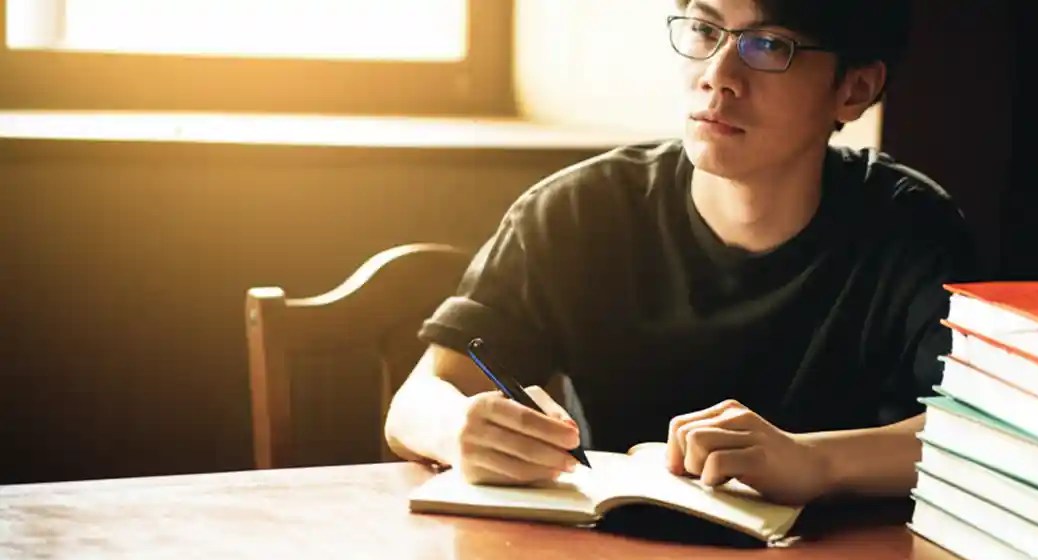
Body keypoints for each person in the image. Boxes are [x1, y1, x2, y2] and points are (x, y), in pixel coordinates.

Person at [385, 0, 974, 505]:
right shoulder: (583, 210)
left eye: (769, 45)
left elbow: (980, 440)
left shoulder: (911, 229)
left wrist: (813, 462)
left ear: (855, 89)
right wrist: (455, 429)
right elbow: (418, 401)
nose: (718, 76)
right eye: (703, 30)